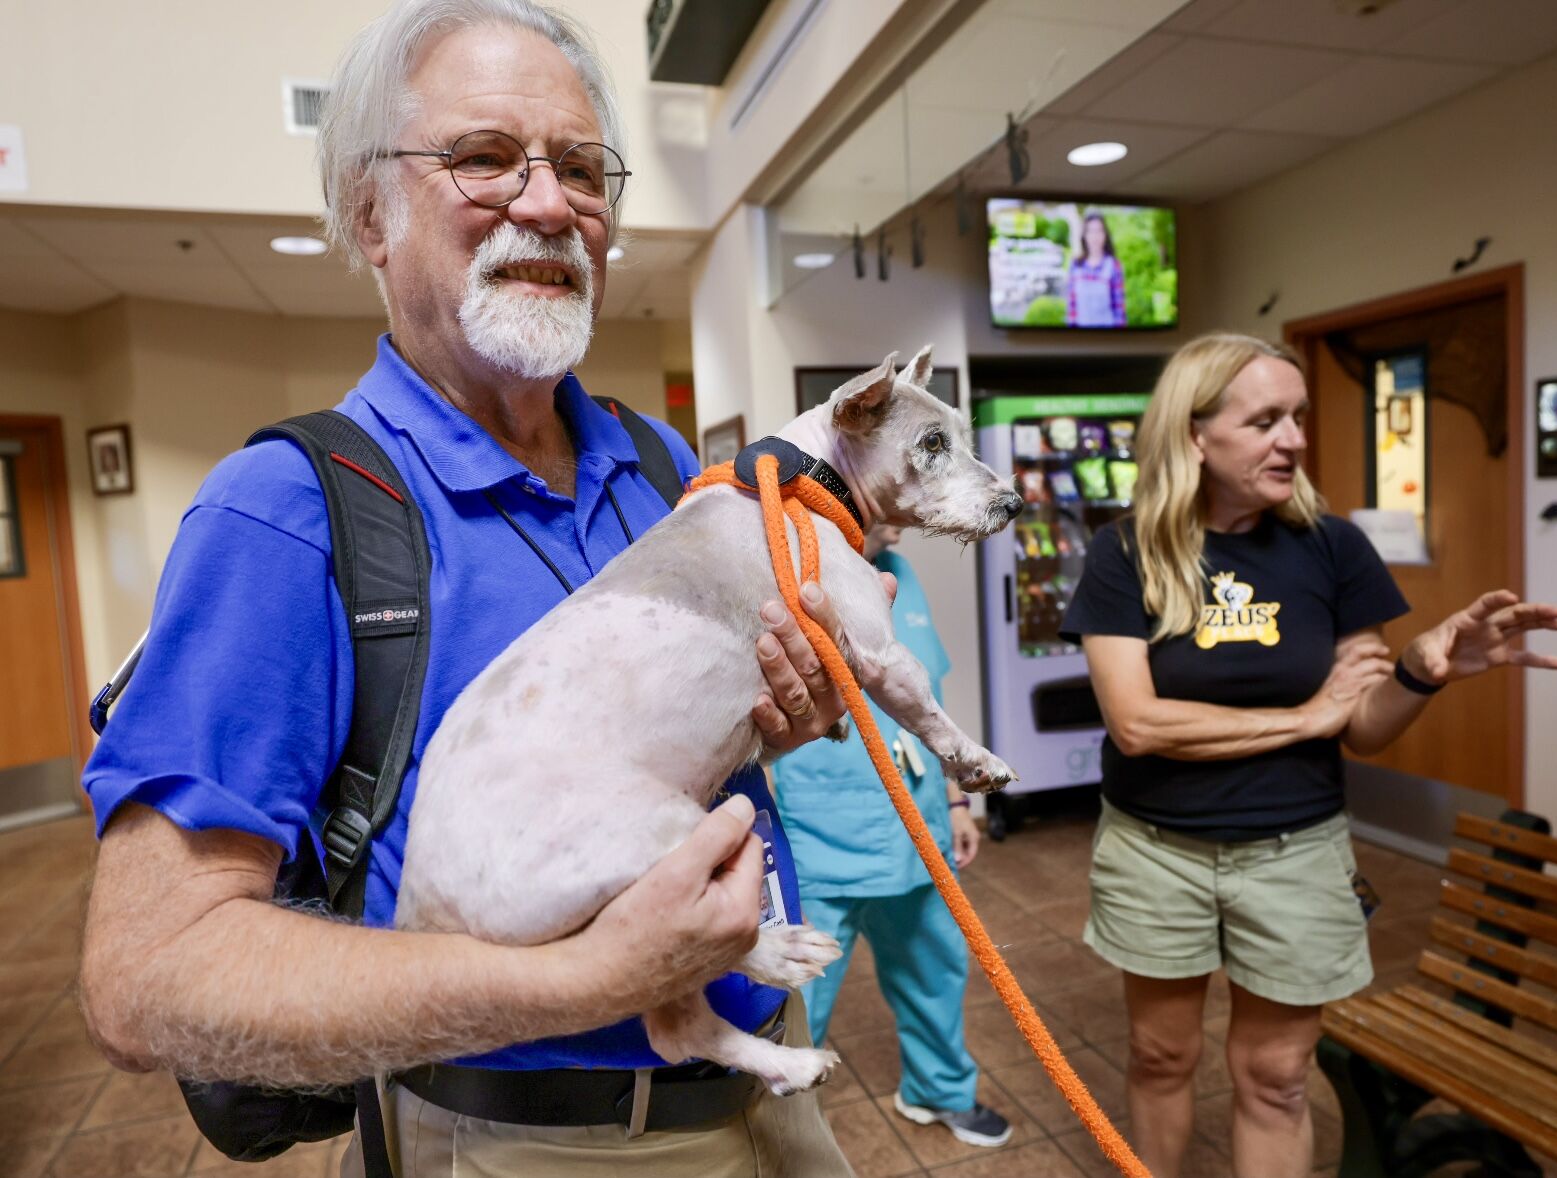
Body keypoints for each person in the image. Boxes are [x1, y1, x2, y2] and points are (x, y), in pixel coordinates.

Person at [75, 3, 868, 1175]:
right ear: (370, 212)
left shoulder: (662, 466)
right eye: (484, 158)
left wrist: (778, 718)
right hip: (518, 1140)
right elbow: (147, 973)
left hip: (771, 1083)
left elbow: (646, 757)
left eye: (583, 169)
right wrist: (578, 982)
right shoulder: (285, 512)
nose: (549, 204)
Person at [1059, 332, 1557, 1178]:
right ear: (1193, 434)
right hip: (1157, 853)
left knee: (1277, 1077)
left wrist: (1417, 672)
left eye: (1296, 417)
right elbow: (1138, 725)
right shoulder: (1125, 555)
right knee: (1159, 1057)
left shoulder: (1332, 548)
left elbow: (1362, 725)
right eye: (1264, 420)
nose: (1292, 438)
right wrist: (1304, 719)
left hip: (1296, 853)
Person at [771, 525, 1012, 1149]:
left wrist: (958, 798)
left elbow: (929, 689)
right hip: (820, 834)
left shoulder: (898, 570)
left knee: (935, 970)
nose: (902, 519)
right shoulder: (781, 575)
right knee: (797, 1000)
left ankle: (938, 1091)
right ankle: (771, 1125)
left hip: (918, 823)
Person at [1066, 212, 1126, 329]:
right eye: (1090, 231)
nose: (1095, 236)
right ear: (1084, 235)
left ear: (1105, 235)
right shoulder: (1075, 265)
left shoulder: (1114, 265)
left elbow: (1119, 310)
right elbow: (1072, 309)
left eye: (1099, 231)